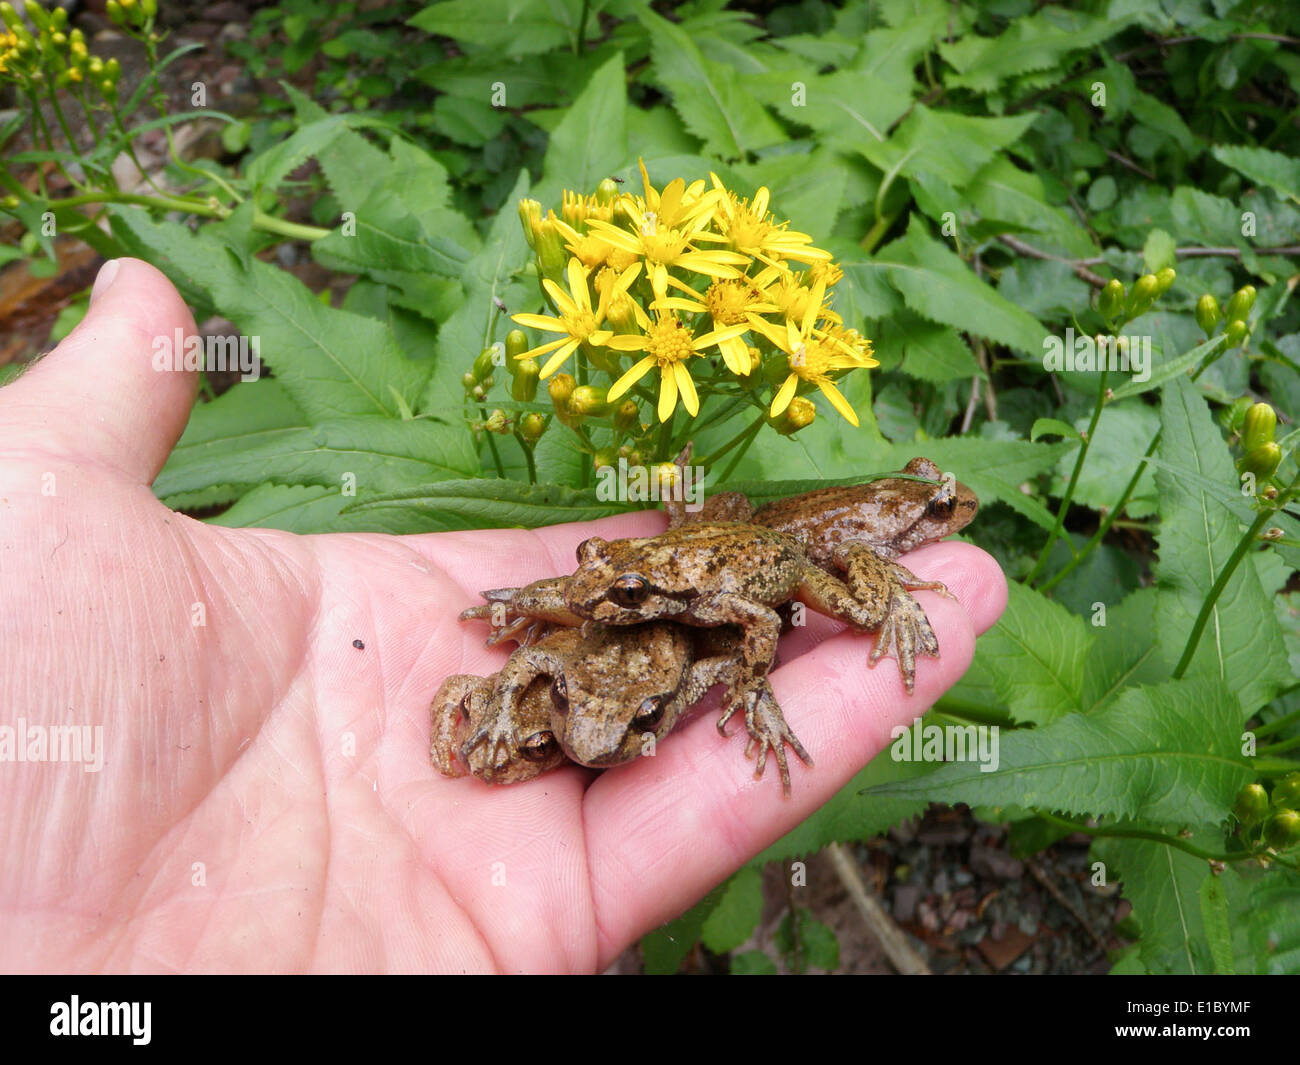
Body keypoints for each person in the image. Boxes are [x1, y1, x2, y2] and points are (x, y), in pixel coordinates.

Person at [0, 258, 1006, 972]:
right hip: (692, 553)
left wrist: (753, 686)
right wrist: (539, 619)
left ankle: (881, 608)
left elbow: (753, 621)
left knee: (797, 608)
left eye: (621, 600)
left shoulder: (726, 609)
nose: (602, 604)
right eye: (604, 586)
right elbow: (596, 594)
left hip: (756, 568)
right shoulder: (622, 587)